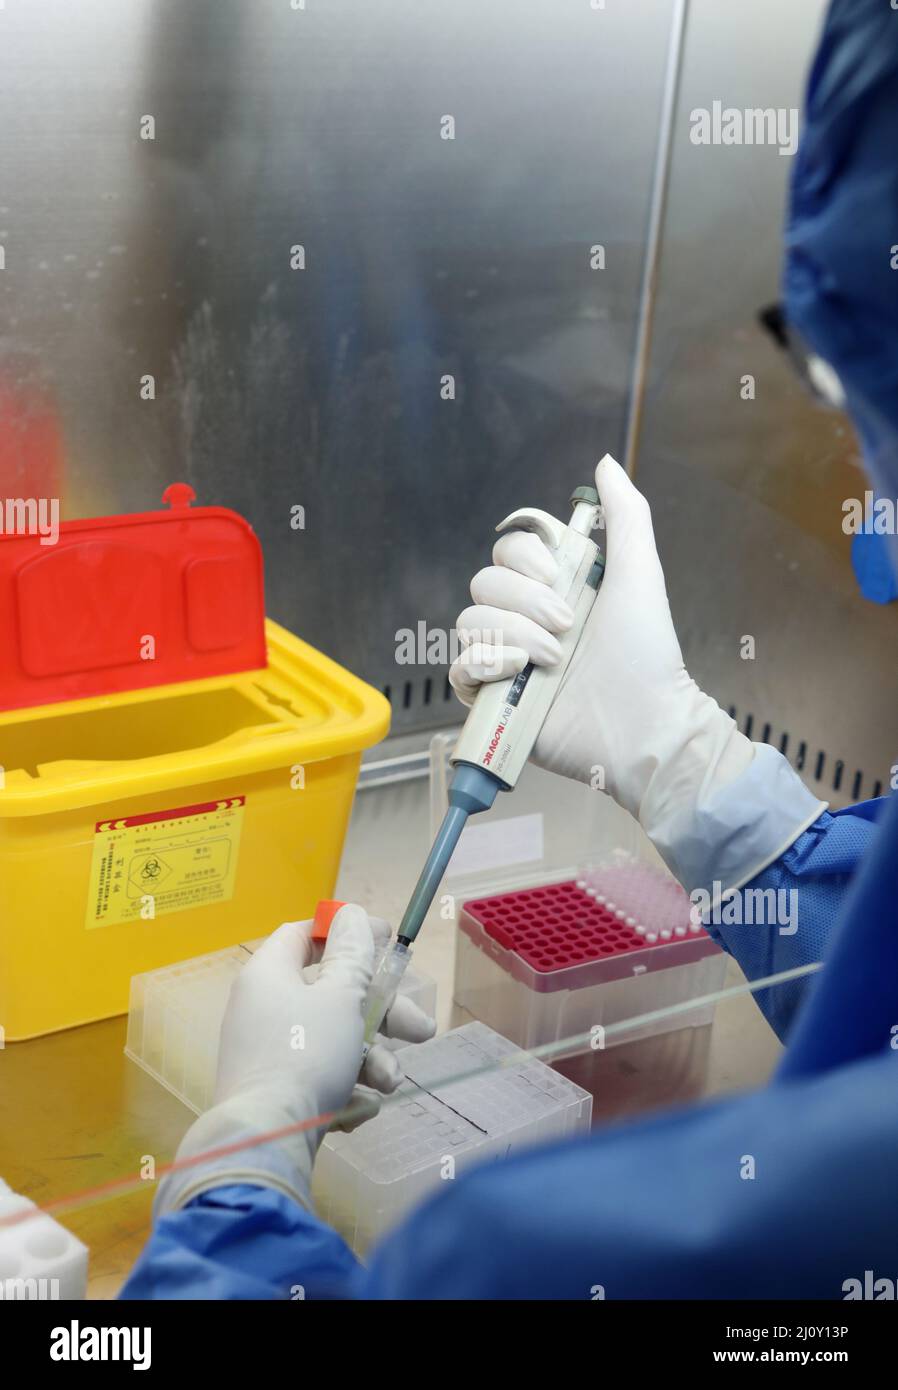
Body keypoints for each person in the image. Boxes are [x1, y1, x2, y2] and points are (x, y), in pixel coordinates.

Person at [122, 0, 898, 1299]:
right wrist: (695, 767)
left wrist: (237, 1164)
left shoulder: (500, 1254)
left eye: (840, 385)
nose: (861, 475)